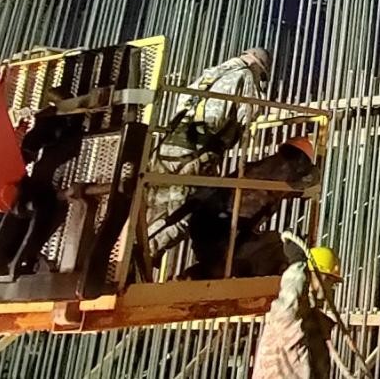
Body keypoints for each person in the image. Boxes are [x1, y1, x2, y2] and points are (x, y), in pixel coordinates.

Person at [146, 47, 272, 256]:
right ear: (256, 65)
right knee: (185, 216)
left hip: (168, 148)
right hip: (197, 153)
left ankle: (127, 253)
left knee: (152, 211)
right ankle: (141, 256)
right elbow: (246, 116)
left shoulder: (210, 74)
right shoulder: (245, 75)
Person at [170, 137, 318, 278]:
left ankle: (196, 276)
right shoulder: (286, 170)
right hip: (225, 233)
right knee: (275, 249)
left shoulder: (257, 167)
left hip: (206, 225)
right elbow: (310, 180)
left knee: (221, 261)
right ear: (302, 160)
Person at [251, 237, 340, 379]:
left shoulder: (317, 326)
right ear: (311, 275)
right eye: (328, 279)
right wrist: (297, 266)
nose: (331, 287)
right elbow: (290, 303)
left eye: (334, 282)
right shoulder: (287, 318)